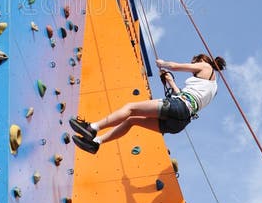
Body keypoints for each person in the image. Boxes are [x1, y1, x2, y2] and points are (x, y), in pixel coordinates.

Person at [70, 53, 227, 154]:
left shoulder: (205, 65)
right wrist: (171, 82)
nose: (193, 68)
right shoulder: (214, 89)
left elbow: (175, 67)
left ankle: (92, 128)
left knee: (130, 108)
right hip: (181, 121)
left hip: (179, 106)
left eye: (194, 64)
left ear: (200, 60)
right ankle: (96, 143)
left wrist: (163, 63)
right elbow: (188, 99)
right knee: (132, 121)